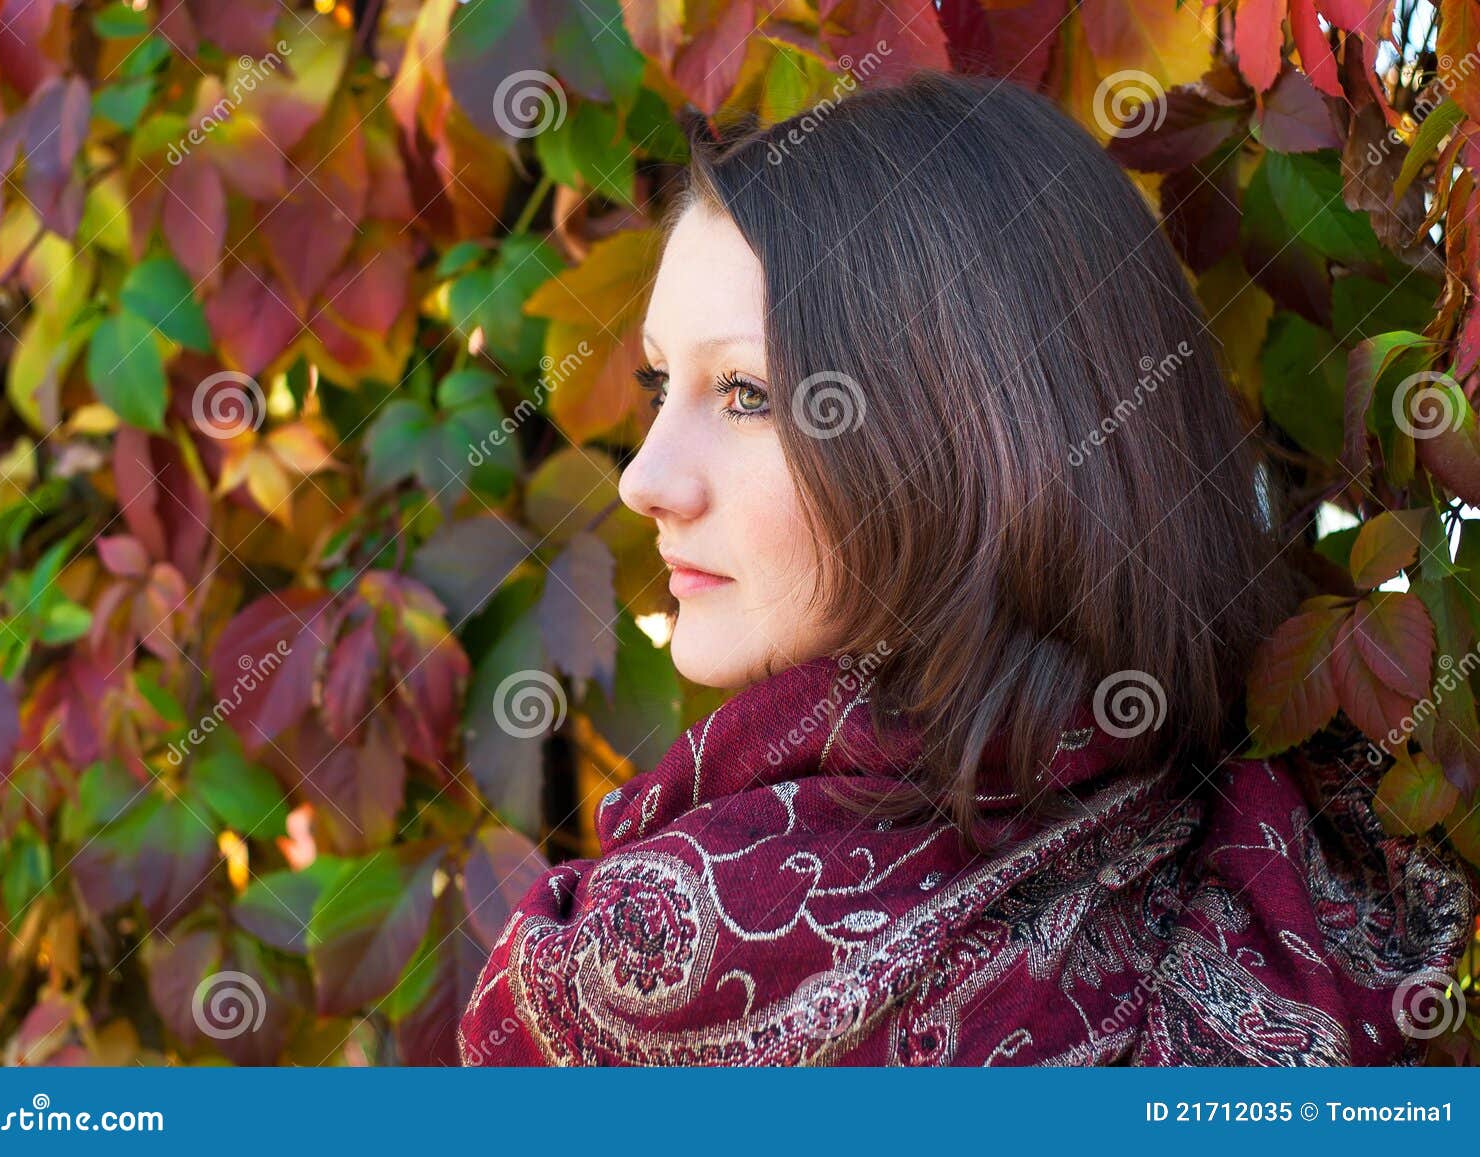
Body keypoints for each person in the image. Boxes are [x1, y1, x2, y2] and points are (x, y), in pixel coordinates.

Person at [458, 69, 1476, 1065]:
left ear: (977, 434)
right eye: (655, 382)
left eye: (745, 393)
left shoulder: (627, 987)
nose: (643, 478)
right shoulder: (1347, 871)